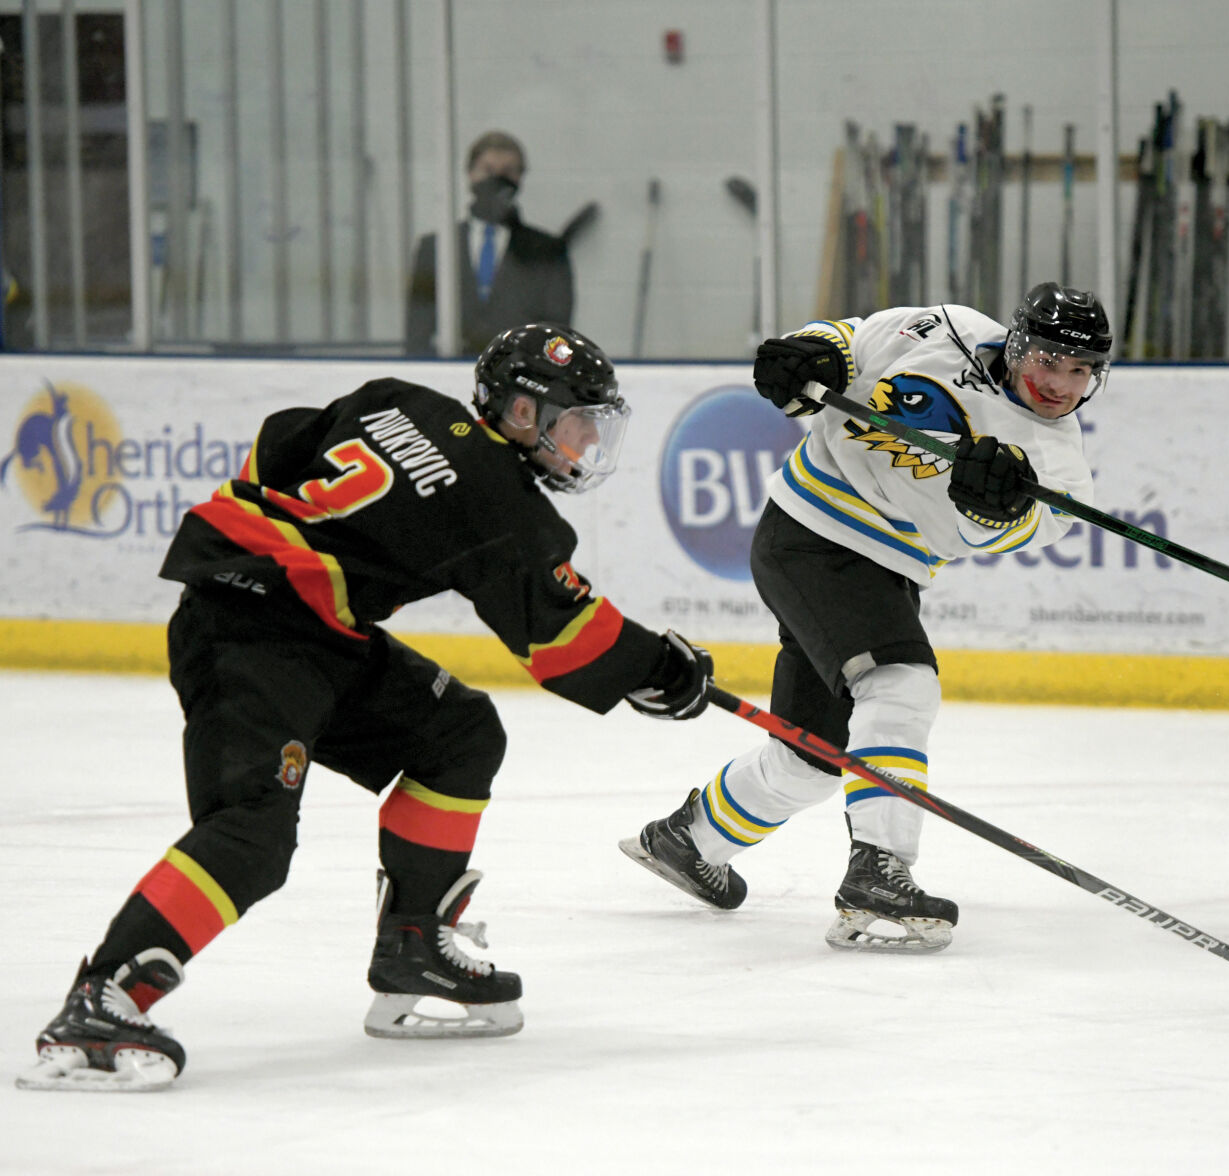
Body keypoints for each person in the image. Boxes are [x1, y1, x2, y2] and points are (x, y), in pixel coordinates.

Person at [17, 322, 715, 1092]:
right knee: (252, 832)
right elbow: (565, 645)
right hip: (254, 637)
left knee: (458, 732)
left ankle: (415, 941)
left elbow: (279, 442)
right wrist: (666, 669)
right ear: (523, 413)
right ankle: (103, 998)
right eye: (577, 420)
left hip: (294, 626)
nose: (585, 441)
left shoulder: (398, 401)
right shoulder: (502, 503)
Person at [620, 283, 1111, 953]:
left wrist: (996, 509)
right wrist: (809, 356)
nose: (1062, 384)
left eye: (1081, 370)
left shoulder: (1058, 463)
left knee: (809, 761)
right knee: (901, 684)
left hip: (884, 571)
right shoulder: (946, 329)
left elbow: (1009, 534)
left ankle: (687, 839)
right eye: (1050, 361)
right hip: (811, 534)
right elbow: (852, 343)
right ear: (1018, 345)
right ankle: (879, 870)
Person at [405, 131, 575, 356]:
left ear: (520, 178)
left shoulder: (548, 251)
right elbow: (418, 327)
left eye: (508, 171)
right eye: (487, 170)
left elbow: (557, 329)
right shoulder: (435, 247)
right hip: (448, 368)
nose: (496, 179)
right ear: (470, 173)